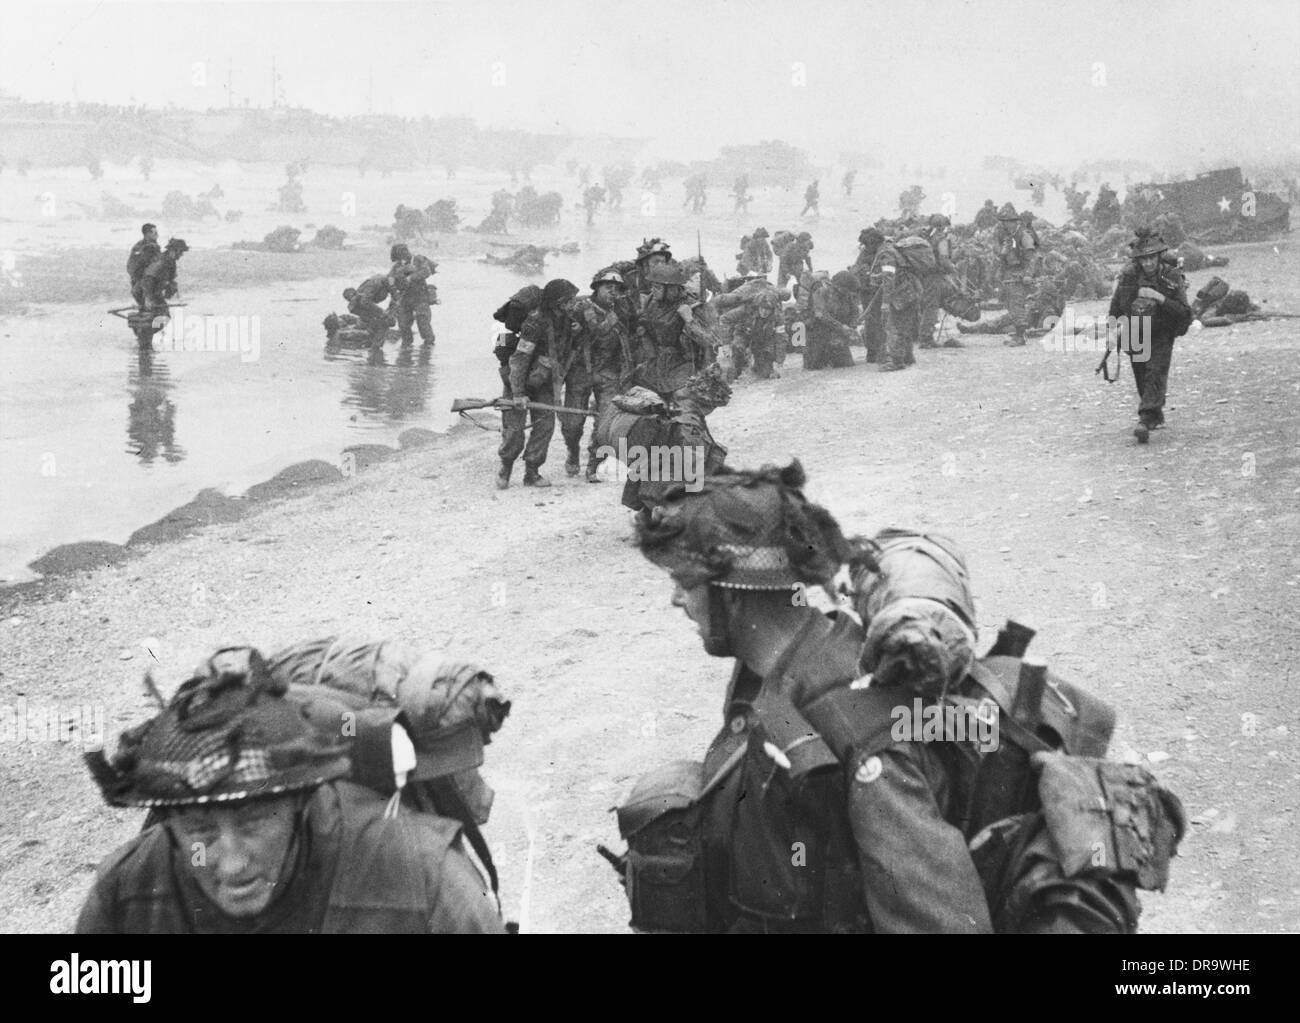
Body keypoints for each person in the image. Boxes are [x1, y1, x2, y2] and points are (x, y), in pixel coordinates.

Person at [609, 461, 995, 933]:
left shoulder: (862, 727)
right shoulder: (771, 670)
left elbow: (941, 923)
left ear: (732, 595)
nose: (676, 600)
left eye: (684, 582)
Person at [77, 647, 506, 933]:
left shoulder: (421, 878)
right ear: (169, 824)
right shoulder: (127, 890)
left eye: (254, 822)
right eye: (200, 831)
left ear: (301, 801)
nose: (232, 864)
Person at [1107, 228, 1192, 443]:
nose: (1148, 263)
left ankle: (1145, 418)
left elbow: (1184, 312)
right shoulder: (1129, 276)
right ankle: (1154, 414)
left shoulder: (1171, 276)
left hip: (1163, 329)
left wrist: (1159, 298)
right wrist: (1112, 330)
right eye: (1143, 259)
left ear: (1159, 256)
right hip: (1136, 330)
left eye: (1151, 258)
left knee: (1155, 370)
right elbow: (1117, 305)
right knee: (1141, 371)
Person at [499, 278, 579, 488]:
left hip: (543, 383)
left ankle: (532, 473)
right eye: (570, 300)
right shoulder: (535, 322)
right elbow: (520, 358)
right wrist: (517, 393)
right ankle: (506, 467)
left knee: (545, 427)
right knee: (514, 432)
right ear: (559, 302)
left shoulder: (566, 321)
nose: (574, 304)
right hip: (518, 381)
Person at [572, 270, 635, 480]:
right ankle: (572, 451)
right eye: (608, 288)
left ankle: (593, 464)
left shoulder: (621, 309)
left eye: (616, 289)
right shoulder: (583, 308)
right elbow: (597, 332)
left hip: (609, 372)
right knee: (572, 422)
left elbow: (632, 332)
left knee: (605, 422)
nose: (613, 292)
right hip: (581, 371)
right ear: (597, 288)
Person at [868, 233, 922, 371]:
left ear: (871, 244)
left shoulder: (886, 254)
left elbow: (889, 278)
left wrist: (885, 302)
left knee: (893, 327)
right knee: (905, 325)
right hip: (911, 291)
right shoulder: (893, 249)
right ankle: (908, 357)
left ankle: (896, 361)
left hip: (901, 294)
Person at [994, 203, 1037, 346]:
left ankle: (1021, 336)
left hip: (1020, 274)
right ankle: (1018, 333)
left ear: (1015, 222)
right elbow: (1003, 256)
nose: (1006, 225)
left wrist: (1028, 275)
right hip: (1009, 273)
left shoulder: (1024, 236)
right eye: (1004, 222)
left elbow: (1032, 258)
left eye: (1009, 222)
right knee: (1010, 305)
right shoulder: (1008, 237)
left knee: (1017, 304)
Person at [919, 214, 962, 348]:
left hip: (925, 277)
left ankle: (926, 336)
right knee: (932, 307)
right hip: (935, 277)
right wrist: (953, 269)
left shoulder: (927, 238)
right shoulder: (941, 240)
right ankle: (926, 339)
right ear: (943, 226)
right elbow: (944, 259)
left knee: (929, 306)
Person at [803, 270, 859, 370]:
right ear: (838, 286)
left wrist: (852, 326)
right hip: (819, 334)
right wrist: (841, 327)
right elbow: (821, 315)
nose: (848, 293)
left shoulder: (847, 295)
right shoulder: (822, 292)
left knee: (846, 364)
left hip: (837, 335)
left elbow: (855, 312)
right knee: (816, 366)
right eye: (846, 290)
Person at [388, 243, 437, 346]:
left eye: (402, 255)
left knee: (422, 320)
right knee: (403, 323)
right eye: (398, 257)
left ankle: (428, 345)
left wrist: (411, 278)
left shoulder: (418, 259)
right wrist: (391, 280)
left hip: (420, 295)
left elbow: (426, 271)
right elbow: (391, 275)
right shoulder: (397, 265)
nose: (400, 258)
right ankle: (407, 345)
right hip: (405, 296)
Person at [343, 274, 394, 349]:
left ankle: (375, 350)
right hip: (372, 317)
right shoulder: (357, 303)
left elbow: (367, 306)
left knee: (381, 324)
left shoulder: (364, 295)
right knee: (381, 325)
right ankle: (375, 350)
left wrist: (383, 313)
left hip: (373, 313)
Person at [127, 223, 161, 310]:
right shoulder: (139, 247)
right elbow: (131, 266)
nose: (157, 235)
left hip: (153, 282)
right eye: (155, 233)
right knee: (137, 292)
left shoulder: (156, 247)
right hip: (142, 280)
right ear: (147, 234)